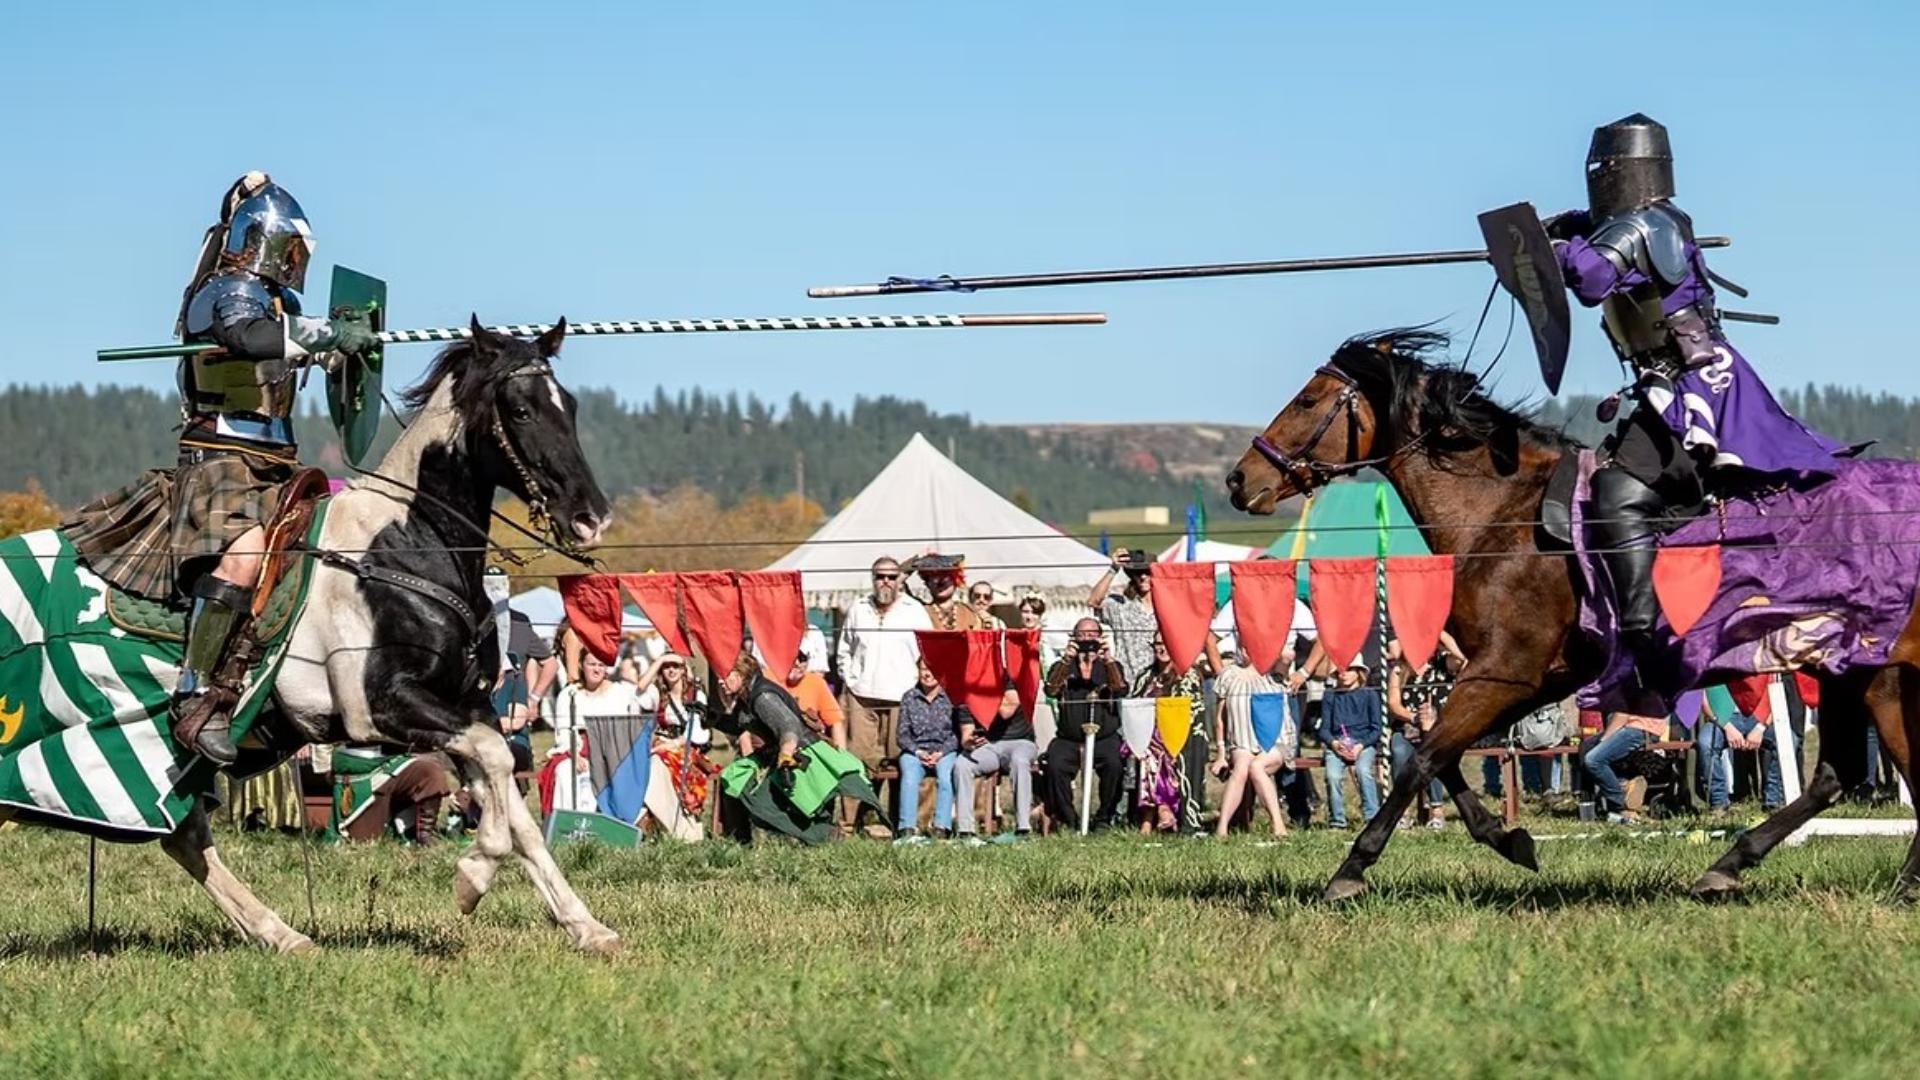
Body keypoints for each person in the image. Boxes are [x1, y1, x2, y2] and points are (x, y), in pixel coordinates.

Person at [64, 172, 381, 765]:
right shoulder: (225, 290)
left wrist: (345, 351)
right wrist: (323, 333)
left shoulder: (284, 306)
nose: (292, 263)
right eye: (287, 249)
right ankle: (196, 694)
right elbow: (249, 336)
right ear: (260, 238)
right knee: (245, 555)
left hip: (280, 464)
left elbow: (292, 342)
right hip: (222, 461)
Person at [1545, 114, 1846, 683]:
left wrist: (1557, 249)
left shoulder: (1648, 225)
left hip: (1695, 385)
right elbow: (1589, 243)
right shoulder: (1641, 222)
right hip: (1664, 383)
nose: (1596, 182)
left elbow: (1589, 280)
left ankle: (1644, 634)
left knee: (1621, 490)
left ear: (1624, 171)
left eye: (1603, 171)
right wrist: (1554, 233)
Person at [711, 653, 882, 844]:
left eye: (725, 675)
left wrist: (785, 756)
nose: (720, 680)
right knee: (735, 779)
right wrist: (711, 717)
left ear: (741, 674)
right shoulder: (746, 695)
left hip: (801, 755)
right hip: (780, 754)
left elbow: (789, 727)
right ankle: (739, 842)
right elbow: (740, 724)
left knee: (797, 811)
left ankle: (832, 839)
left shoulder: (763, 696)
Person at [836, 556, 932, 831]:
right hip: (862, 697)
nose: (885, 582)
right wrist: (851, 679)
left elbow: (927, 654)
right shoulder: (858, 608)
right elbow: (844, 649)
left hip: (901, 697)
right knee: (859, 762)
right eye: (880, 576)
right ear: (872, 578)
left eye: (891, 576)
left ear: (900, 579)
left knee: (901, 762)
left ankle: (899, 824)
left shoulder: (914, 610)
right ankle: (851, 825)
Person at [1042, 618, 1129, 831]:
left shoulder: (1111, 665)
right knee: (1054, 764)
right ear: (1074, 638)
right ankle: (1069, 819)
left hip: (1104, 736)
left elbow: (1120, 690)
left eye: (1092, 635)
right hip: (1069, 737)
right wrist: (1065, 659)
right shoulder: (1063, 665)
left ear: (1100, 637)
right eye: (1082, 635)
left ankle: (1103, 818)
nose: (1087, 640)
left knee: (1115, 764)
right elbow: (1051, 690)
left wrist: (1107, 659)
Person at [1130, 634, 1217, 834]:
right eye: (1158, 644)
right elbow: (1136, 705)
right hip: (1152, 735)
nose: (1162, 649)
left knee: (1163, 754)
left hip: (1185, 735)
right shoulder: (1146, 676)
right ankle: (1159, 812)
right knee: (1150, 754)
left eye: (1166, 643)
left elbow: (1193, 712)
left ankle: (1165, 814)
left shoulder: (1189, 674)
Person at [1385, 634, 1467, 829]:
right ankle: (1402, 810)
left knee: (1433, 753)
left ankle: (1437, 810)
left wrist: (1437, 630)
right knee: (1398, 751)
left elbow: (1461, 657)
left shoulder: (1442, 664)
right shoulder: (1400, 669)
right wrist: (1413, 717)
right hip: (1407, 726)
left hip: (1437, 728)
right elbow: (1393, 703)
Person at [1210, 649, 1293, 839]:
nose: (1247, 649)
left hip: (1274, 741)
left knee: (1257, 767)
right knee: (1241, 767)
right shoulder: (1228, 675)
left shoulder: (1274, 673)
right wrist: (1221, 754)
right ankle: (1222, 829)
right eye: (1244, 645)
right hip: (1241, 740)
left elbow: (1288, 656)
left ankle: (1278, 825)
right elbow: (1220, 719)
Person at [954, 684, 1040, 844]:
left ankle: (1023, 828)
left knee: (1019, 761)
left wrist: (984, 694)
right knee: (962, 764)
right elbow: (966, 734)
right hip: (989, 745)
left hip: (1021, 742)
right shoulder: (968, 691)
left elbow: (1006, 711)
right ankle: (965, 831)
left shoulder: (1010, 680)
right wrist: (969, 742)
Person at [555, 651, 643, 800]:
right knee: (565, 771)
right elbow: (563, 731)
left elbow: (629, 729)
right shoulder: (569, 693)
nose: (596, 669)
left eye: (601, 665)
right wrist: (575, 755)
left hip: (613, 750)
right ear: (582, 666)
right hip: (579, 748)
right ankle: (570, 820)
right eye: (591, 664)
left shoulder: (620, 692)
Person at [894, 660, 962, 844]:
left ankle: (941, 826)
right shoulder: (909, 697)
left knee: (946, 778)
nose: (927, 674)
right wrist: (917, 752)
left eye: (932, 670)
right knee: (909, 777)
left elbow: (957, 733)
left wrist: (942, 752)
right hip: (915, 750)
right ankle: (906, 827)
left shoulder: (951, 698)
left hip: (944, 750)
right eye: (923, 669)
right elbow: (902, 735)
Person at [1318, 662, 1383, 829]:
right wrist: (1334, 744)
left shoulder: (1369, 695)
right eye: (1340, 670)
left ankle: (1372, 817)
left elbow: (1376, 729)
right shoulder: (1330, 695)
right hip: (1338, 742)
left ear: (1359, 673)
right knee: (1333, 776)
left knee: (1363, 771)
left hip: (1363, 743)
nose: (1344, 674)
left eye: (1349, 670)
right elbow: (1324, 730)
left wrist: (1360, 746)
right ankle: (1337, 820)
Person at [1581, 709, 1671, 824]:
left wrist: (1604, 740)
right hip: (1636, 726)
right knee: (1585, 747)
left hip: (1640, 728)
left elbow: (1622, 714)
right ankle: (1622, 785)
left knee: (1593, 760)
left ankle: (1619, 803)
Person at [1088, 548, 1157, 683]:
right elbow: (1093, 601)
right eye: (1137, 573)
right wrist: (1113, 569)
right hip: (1126, 681)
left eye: (1147, 572)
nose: (1142, 577)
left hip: (1158, 684)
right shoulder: (1120, 606)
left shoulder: (1166, 607)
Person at [781, 647, 846, 748]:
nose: (797, 663)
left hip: (809, 745)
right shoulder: (767, 679)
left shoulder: (816, 682)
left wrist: (842, 758)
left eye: (802, 658)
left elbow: (836, 723)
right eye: (791, 658)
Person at [913, 552, 983, 631]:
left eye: (945, 576)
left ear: (956, 580)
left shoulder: (970, 613)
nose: (939, 580)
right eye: (934, 576)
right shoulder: (920, 613)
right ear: (927, 583)